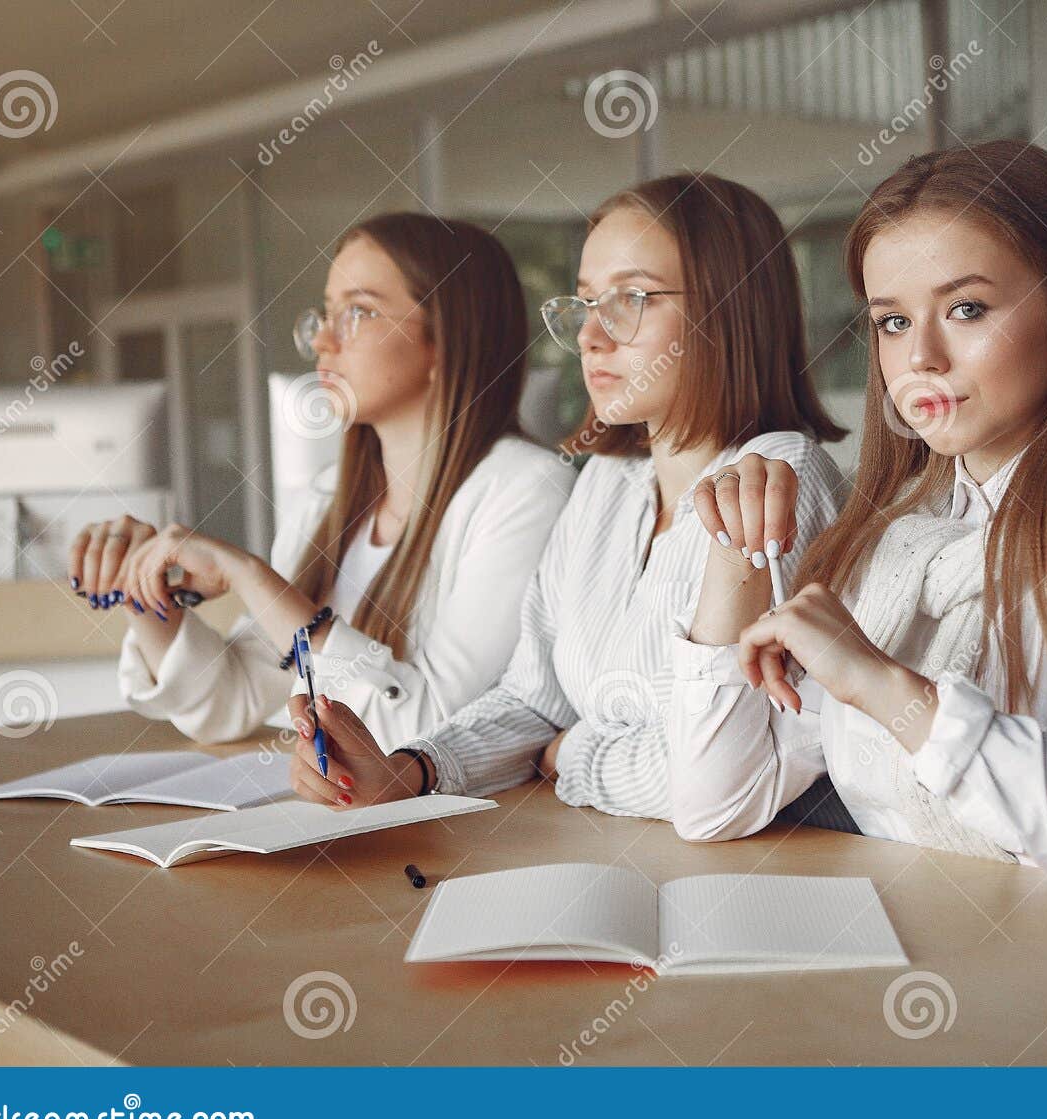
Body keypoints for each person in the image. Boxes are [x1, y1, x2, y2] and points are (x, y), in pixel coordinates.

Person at [666, 141, 1047, 924]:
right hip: (923, 972)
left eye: (966, 309)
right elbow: (714, 805)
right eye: (892, 321)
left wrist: (891, 690)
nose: (919, 357)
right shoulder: (901, 531)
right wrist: (733, 560)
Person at [286, 173, 847, 817]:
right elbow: (532, 701)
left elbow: (713, 779)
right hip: (604, 849)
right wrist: (411, 770)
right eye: (585, 303)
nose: (590, 335)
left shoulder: (776, 479)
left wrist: (571, 753)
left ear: (730, 309)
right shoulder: (609, 484)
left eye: (632, 297)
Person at [73, 213, 573, 754]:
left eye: (358, 312)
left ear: (447, 340)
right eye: (325, 315)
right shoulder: (327, 499)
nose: (323, 343)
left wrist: (250, 575)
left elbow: (431, 727)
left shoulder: (525, 490)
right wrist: (143, 590)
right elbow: (231, 700)